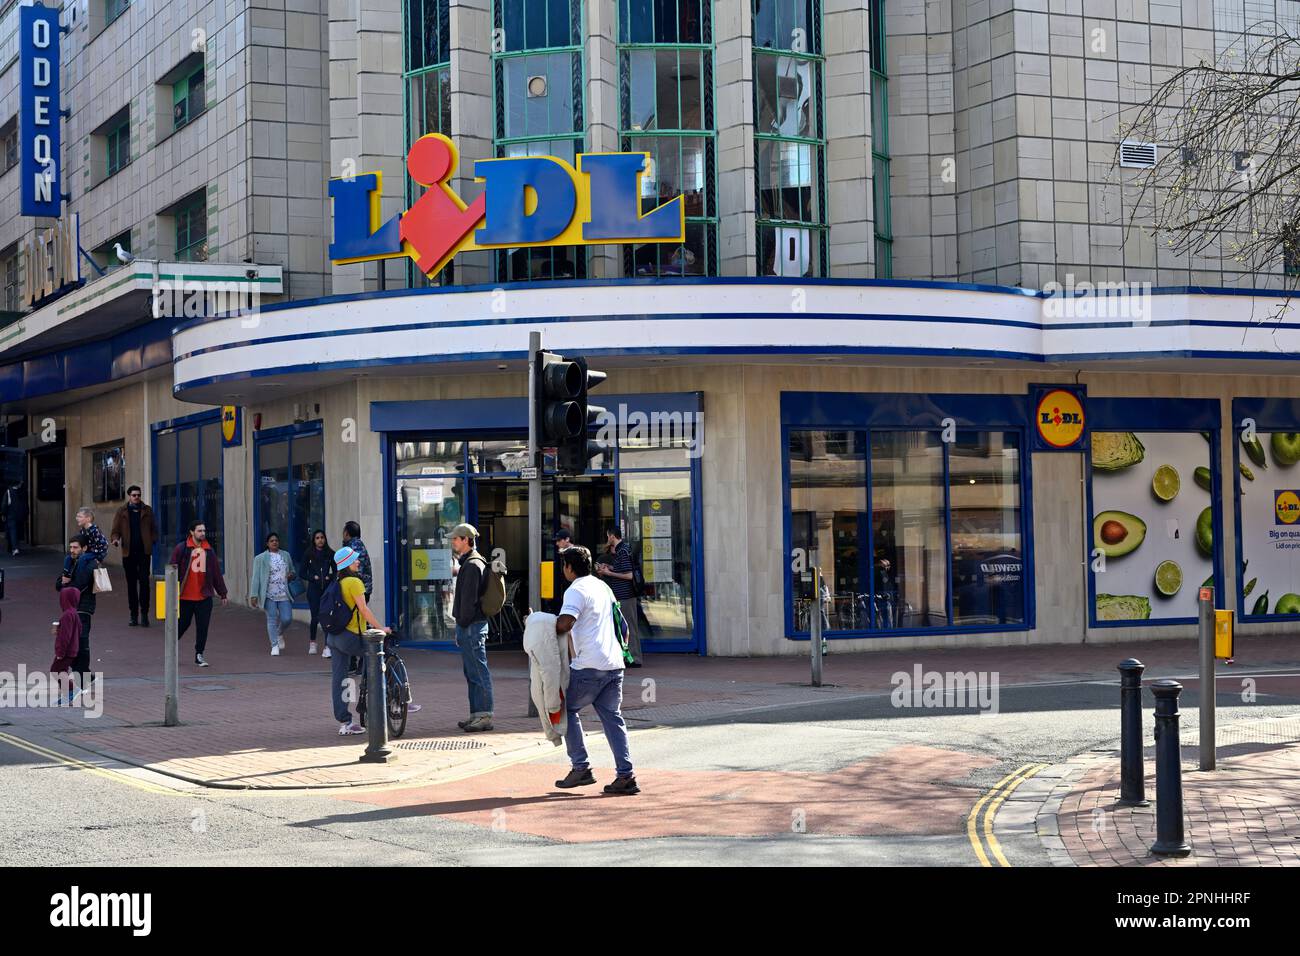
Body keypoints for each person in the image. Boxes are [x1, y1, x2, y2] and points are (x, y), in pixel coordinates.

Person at [553, 545, 639, 795]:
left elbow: (565, 623)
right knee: (613, 719)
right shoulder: (603, 587)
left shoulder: (576, 590)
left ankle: (581, 767)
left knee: (566, 710)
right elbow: (622, 626)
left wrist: (539, 622)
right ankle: (626, 775)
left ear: (569, 567)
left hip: (588, 666)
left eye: (564, 566)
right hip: (613, 665)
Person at [327, 545, 387, 736]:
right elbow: (364, 610)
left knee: (341, 678)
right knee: (379, 659)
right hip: (351, 637)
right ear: (346, 563)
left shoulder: (337, 582)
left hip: (334, 637)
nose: (358, 561)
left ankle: (345, 722)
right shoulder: (354, 582)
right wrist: (381, 628)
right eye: (354, 559)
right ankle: (393, 700)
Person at [450, 522, 494, 732]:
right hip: (471, 625)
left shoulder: (472, 565)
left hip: (472, 626)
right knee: (473, 672)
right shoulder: (470, 563)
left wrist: (462, 624)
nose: (453, 542)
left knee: (478, 671)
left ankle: (484, 715)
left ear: (466, 540)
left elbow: (468, 602)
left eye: (456, 539)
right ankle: (476, 714)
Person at [170, 519, 229, 667]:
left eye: (204, 531)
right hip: (185, 597)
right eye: (199, 531)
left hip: (204, 596)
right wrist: (170, 592)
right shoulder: (182, 548)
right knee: (182, 624)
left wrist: (223, 593)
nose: (203, 533)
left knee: (203, 627)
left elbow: (216, 573)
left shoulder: (209, 550)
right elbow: (171, 570)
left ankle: (199, 654)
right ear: (192, 532)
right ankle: (169, 649)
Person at [57, 533, 99, 699]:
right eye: (71, 547)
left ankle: (84, 679)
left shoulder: (89, 563)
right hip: (69, 608)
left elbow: (80, 584)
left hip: (84, 607)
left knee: (81, 642)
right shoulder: (69, 562)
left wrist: (66, 583)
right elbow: (58, 583)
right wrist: (63, 582)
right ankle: (86, 674)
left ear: (84, 548)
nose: (72, 550)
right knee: (71, 642)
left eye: (75, 548)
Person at [110, 486, 157, 627]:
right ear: (129, 496)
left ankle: (144, 614)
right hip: (128, 553)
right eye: (134, 495)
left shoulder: (147, 510)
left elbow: (154, 528)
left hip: (144, 553)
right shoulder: (122, 511)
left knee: (144, 583)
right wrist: (115, 539)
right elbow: (115, 530)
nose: (137, 497)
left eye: (138, 495)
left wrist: (152, 539)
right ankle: (133, 614)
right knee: (131, 585)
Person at [596, 523, 642, 666]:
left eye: (608, 536)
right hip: (623, 596)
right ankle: (628, 657)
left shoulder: (623, 551)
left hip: (626, 596)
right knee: (625, 627)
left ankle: (634, 659)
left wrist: (609, 573)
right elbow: (622, 569)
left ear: (612, 536)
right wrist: (608, 567)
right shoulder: (622, 550)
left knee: (629, 627)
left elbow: (628, 575)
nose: (607, 539)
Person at [250, 532, 296, 657]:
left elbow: (292, 571)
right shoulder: (260, 558)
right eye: (271, 541)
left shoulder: (285, 555)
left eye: (276, 540)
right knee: (271, 619)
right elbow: (256, 578)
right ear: (267, 544)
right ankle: (274, 645)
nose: (274, 542)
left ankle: (279, 632)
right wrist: (253, 595)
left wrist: (291, 575)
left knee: (287, 619)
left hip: (283, 593)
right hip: (269, 594)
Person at [301, 529, 336, 656]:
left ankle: (327, 646)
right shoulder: (309, 553)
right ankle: (313, 642)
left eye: (322, 537)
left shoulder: (330, 553)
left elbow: (337, 571)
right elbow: (302, 572)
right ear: (314, 540)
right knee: (315, 617)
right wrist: (313, 577)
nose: (320, 540)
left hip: (326, 589)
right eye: (317, 538)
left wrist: (330, 577)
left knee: (326, 616)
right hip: (314, 590)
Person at [51, 586, 82, 701]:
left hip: (66, 650)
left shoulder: (67, 615)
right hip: (72, 648)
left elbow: (65, 636)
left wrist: (60, 651)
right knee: (60, 670)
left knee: (56, 670)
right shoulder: (74, 613)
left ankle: (71, 691)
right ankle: (70, 692)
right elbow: (78, 630)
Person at [341, 521, 373, 600]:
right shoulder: (353, 545)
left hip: (358, 590)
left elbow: (357, 570)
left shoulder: (355, 546)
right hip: (358, 588)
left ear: (346, 533)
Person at [3, 480, 26, 556]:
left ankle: (14, 548)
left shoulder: (9, 492)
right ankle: (13, 547)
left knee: (12, 531)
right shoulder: (22, 492)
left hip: (11, 514)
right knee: (16, 531)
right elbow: (25, 504)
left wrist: (3, 514)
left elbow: (5, 504)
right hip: (20, 515)